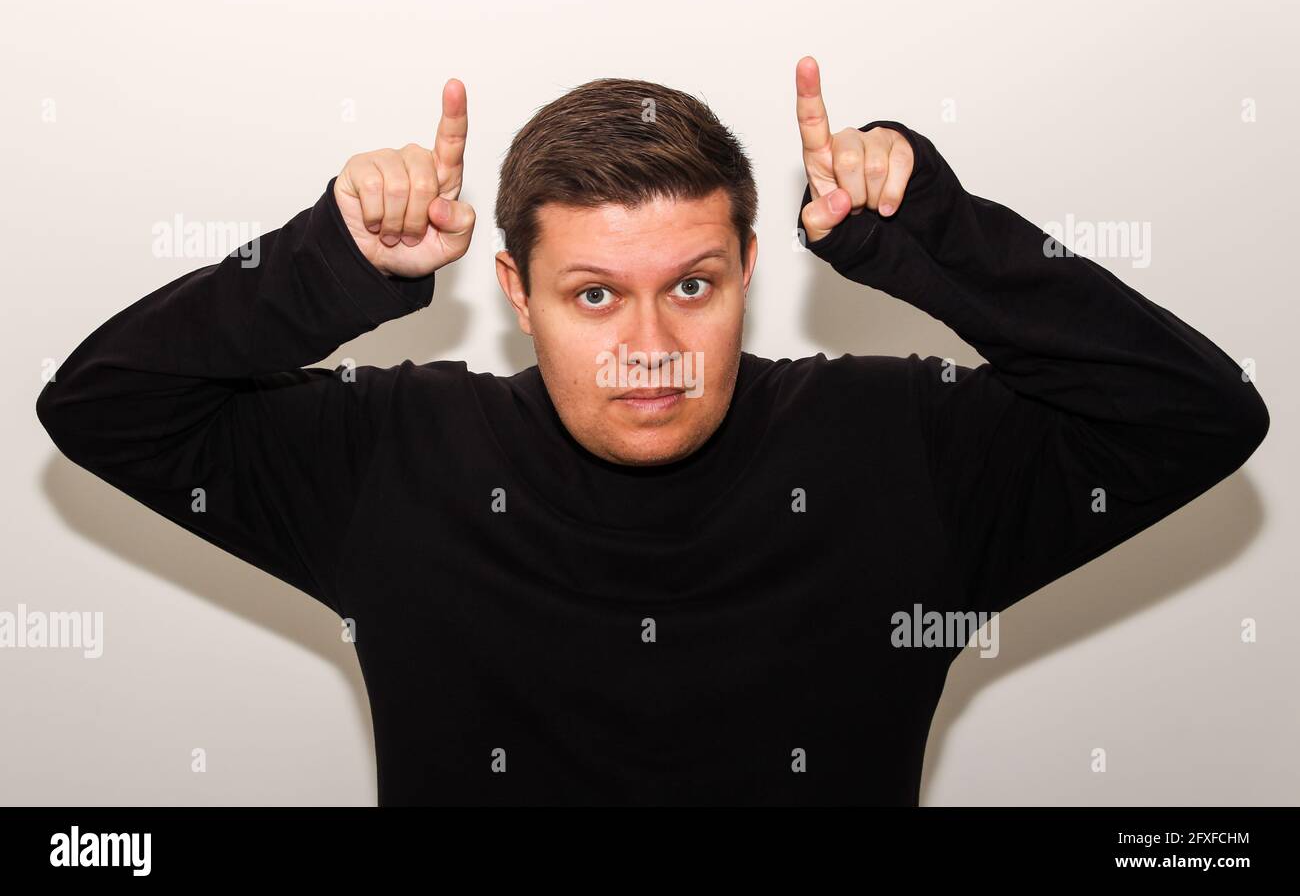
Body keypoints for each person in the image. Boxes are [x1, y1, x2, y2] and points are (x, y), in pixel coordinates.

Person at [35, 57, 1269, 805]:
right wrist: (331, 264)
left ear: (749, 273)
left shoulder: (901, 444)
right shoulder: (391, 456)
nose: (646, 344)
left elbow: (1196, 414)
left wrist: (926, 230)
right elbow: (102, 407)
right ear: (515, 294)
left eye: (691, 284)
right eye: (590, 294)